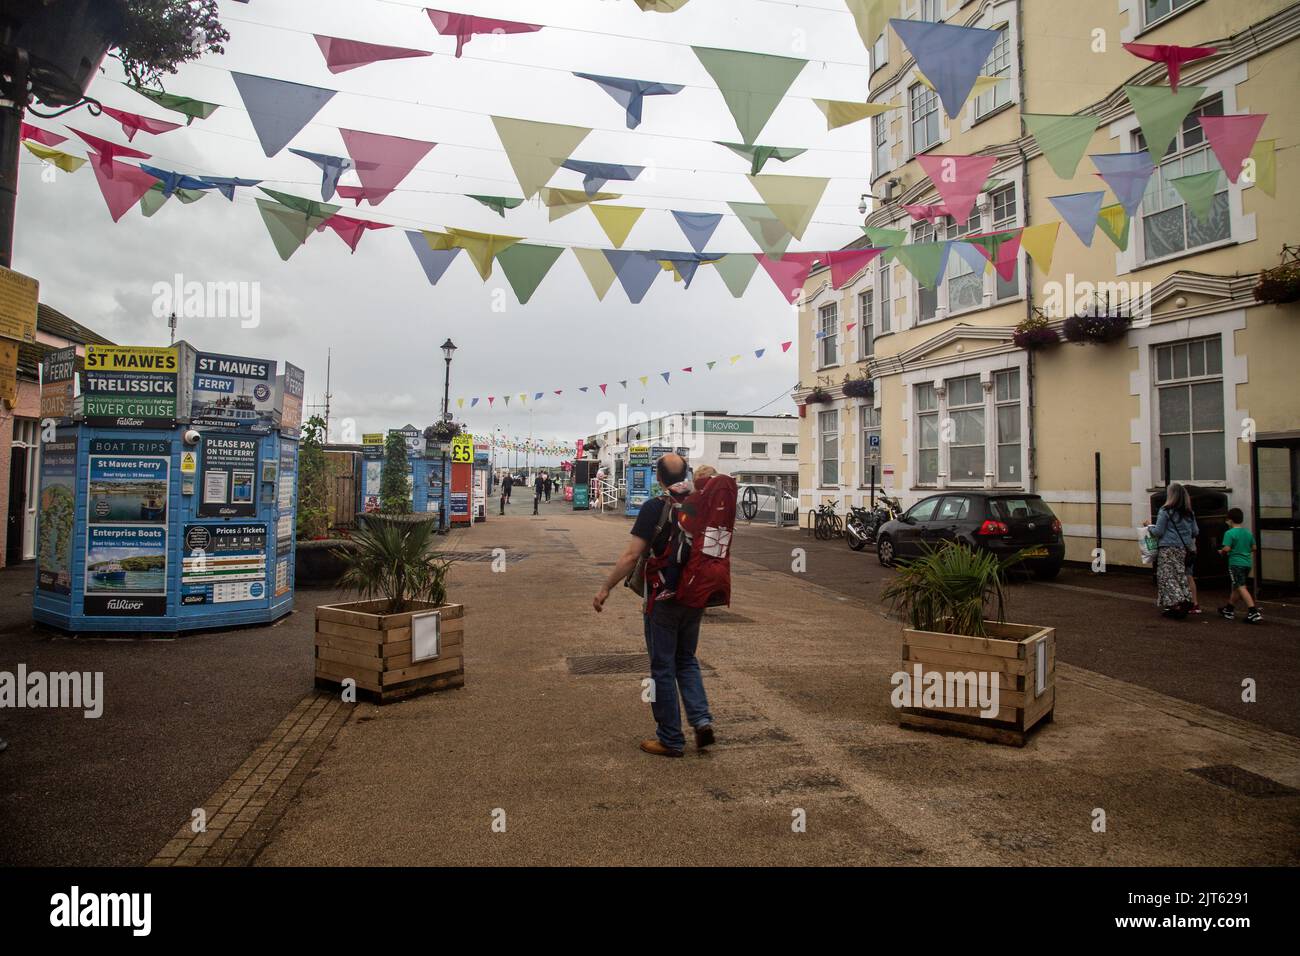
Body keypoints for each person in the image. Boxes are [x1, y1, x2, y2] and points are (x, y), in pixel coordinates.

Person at [592, 453, 714, 757]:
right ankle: (701, 720)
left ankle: (671, 739)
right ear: (686, 473)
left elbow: (632, 556)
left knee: (662, 667)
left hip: (663, 599)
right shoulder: (703, 505)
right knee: (686, 660)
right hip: (696, 595)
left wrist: (605, 587)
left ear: (658, 478)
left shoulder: (654, 508)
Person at [1149, 483, 1199, 619]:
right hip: (1184, 549)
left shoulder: (1165, 511)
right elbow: (1195, 531)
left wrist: (1149, 528)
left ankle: (1177, 602)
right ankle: (1187, 599)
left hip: (1168, 548)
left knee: (1166, 576)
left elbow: (1158, 531)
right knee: (1180, 575)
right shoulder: (1189, 512)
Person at [1218, 508, 1261, 623]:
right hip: (1247, 563)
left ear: (1230, 520)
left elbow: (1226, 548)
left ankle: (1253, 611)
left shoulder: (1229, 533)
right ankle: (1229, 608)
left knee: (1241, 586)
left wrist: (1221, 552)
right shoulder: (1247, 532)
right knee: (1236, 586)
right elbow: (1254, 547)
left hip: (1235, 563)